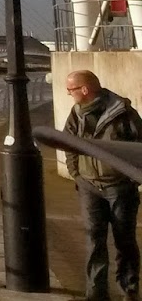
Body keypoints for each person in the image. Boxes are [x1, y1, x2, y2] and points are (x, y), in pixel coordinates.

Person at [65, 69, 142, 301]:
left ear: (84, 90)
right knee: (93, 238)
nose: (69, 94)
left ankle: (128, 288)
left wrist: (131, 178)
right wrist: (76, 173)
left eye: (71, 90)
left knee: (124, 239)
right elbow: (68, 143)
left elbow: (139, 146)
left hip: (120, 188)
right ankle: (96, 292)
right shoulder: (76, 114)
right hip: (89, 187)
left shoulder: (123, 113)